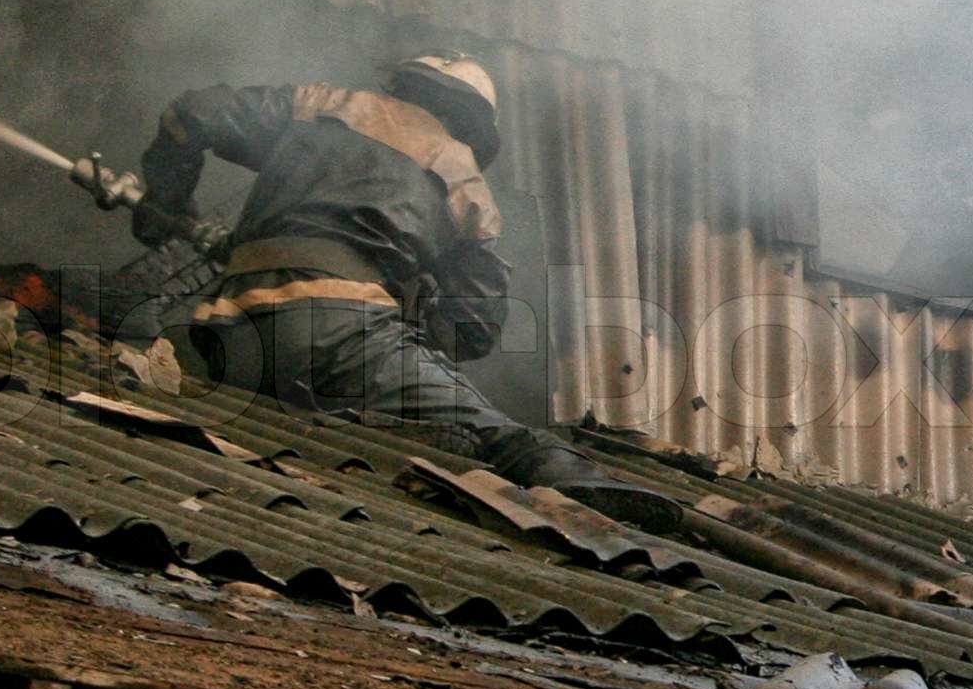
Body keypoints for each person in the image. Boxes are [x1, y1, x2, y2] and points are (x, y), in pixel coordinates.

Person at [74, 52, 676, 525]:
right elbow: (474, 328)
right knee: (492, 432)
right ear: (475, 121)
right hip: (344, 337)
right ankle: (587, 494)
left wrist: (165, 201)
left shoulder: (321, 103)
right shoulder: (459, 169)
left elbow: (191, 114)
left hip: (226, 331)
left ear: (404, 84)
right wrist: (416, 314)